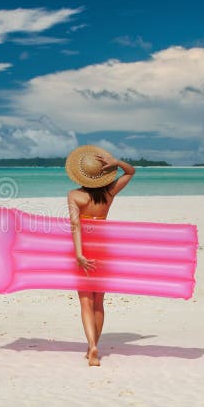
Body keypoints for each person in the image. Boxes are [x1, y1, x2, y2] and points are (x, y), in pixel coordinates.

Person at [65, 145, 136, 367]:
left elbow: (75, 224)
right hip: (104, 249)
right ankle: (94, 345)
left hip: (84, 248)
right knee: (98, 302)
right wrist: (116, 162)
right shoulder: (109, 193)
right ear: (102, 174)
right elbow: (131, 172)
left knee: (85, 302)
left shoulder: (74, 196)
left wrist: (78, 254)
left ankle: (92, 345)